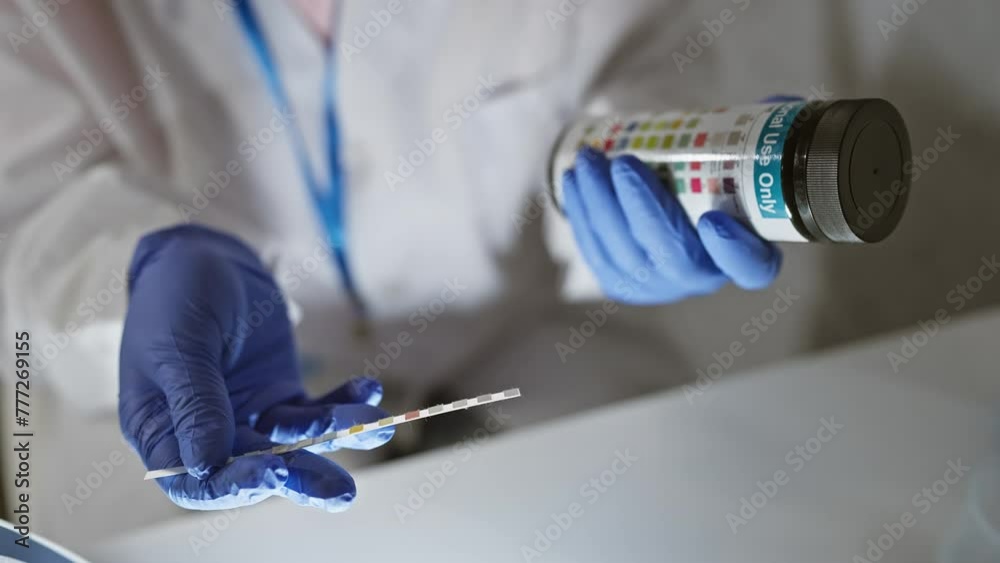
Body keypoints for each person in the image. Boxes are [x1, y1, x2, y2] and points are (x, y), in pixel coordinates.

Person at [0, 0, 780, 514]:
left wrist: (652, 174)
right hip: (141, 463)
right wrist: (134, 276)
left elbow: (651, 64)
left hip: (538, 363)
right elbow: (24, 206)